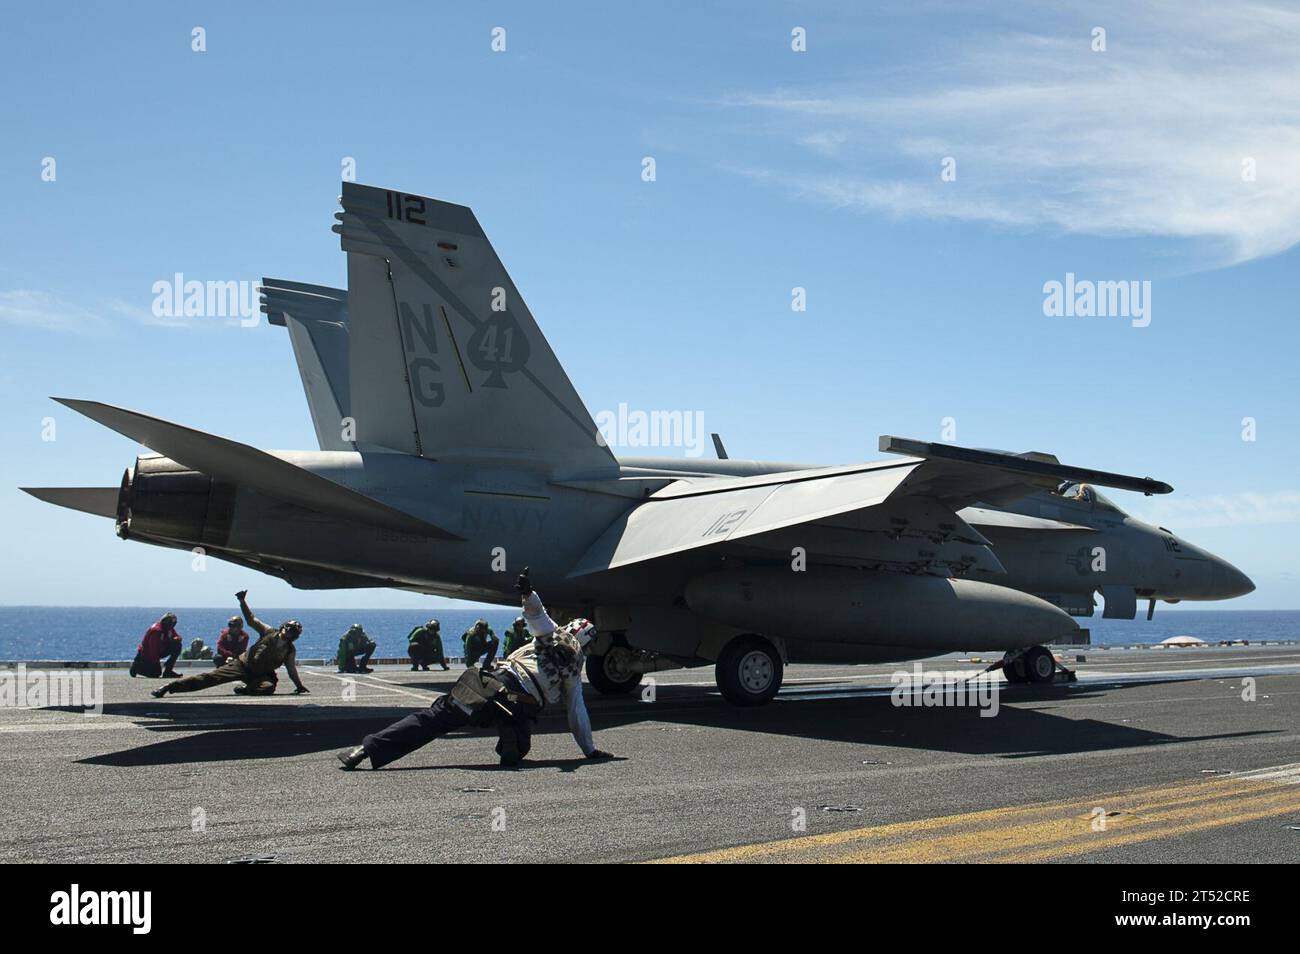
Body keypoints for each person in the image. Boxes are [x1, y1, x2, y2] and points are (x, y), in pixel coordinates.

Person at [337, 568, 613, 770]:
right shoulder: (575, 669)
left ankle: (364, 750)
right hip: (518, 705)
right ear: (586, 642)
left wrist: (528, 592)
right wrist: (589, 751)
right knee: (518, 748)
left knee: (432, 719)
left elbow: (536, 615)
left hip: (489, 685)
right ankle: (510, 738)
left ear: (569, 629)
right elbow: (577, 713)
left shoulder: (552, 634)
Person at [150, 591, 309, 698]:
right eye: (290, 630)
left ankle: (246, 689)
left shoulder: (289, 651)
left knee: (267, 688)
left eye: (294, 633)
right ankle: (169, 687)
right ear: (283, 628)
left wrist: (299, 686)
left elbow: (291, 670)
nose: (291, 634)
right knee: (209, 678)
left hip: (261, 674)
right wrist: (242, 601)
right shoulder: (268, 632)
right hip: (242, 665)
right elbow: (251, 619)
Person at [129, 613, 183, 679]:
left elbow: (177, 636)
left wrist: (177, 639)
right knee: (156, 673)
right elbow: (153, 649)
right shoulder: (156, 631)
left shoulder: (169, 629)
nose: (172, 626)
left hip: (159, 650)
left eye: (174, 624)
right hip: (146, 655)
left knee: (177, 645)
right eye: (171, 623)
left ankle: (168, 671)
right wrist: (157, 664)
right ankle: (136, 668)